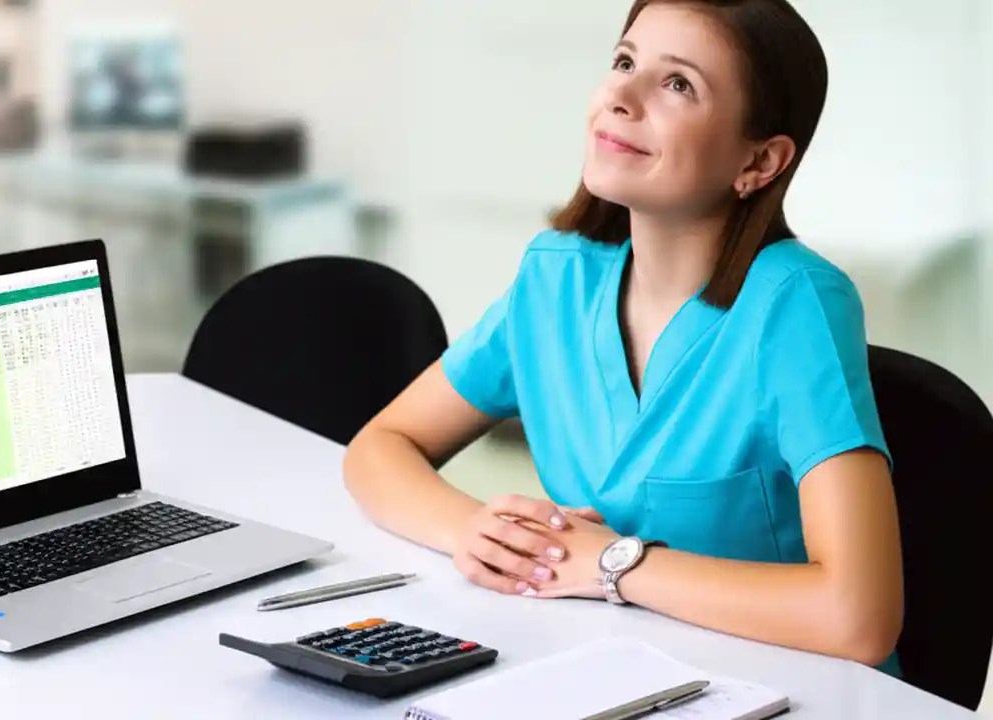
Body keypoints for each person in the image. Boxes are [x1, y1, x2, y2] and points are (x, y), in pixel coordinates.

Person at [343, 0, 904, 671]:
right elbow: (379, 447)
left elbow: (859, 618)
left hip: (781, 686)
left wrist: (610, 563)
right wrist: (474, 532)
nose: (621, 96)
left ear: (759, 161)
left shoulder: (796, 304)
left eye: (677, 84)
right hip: (598, 665)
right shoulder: (556, 277)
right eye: (624, 61)